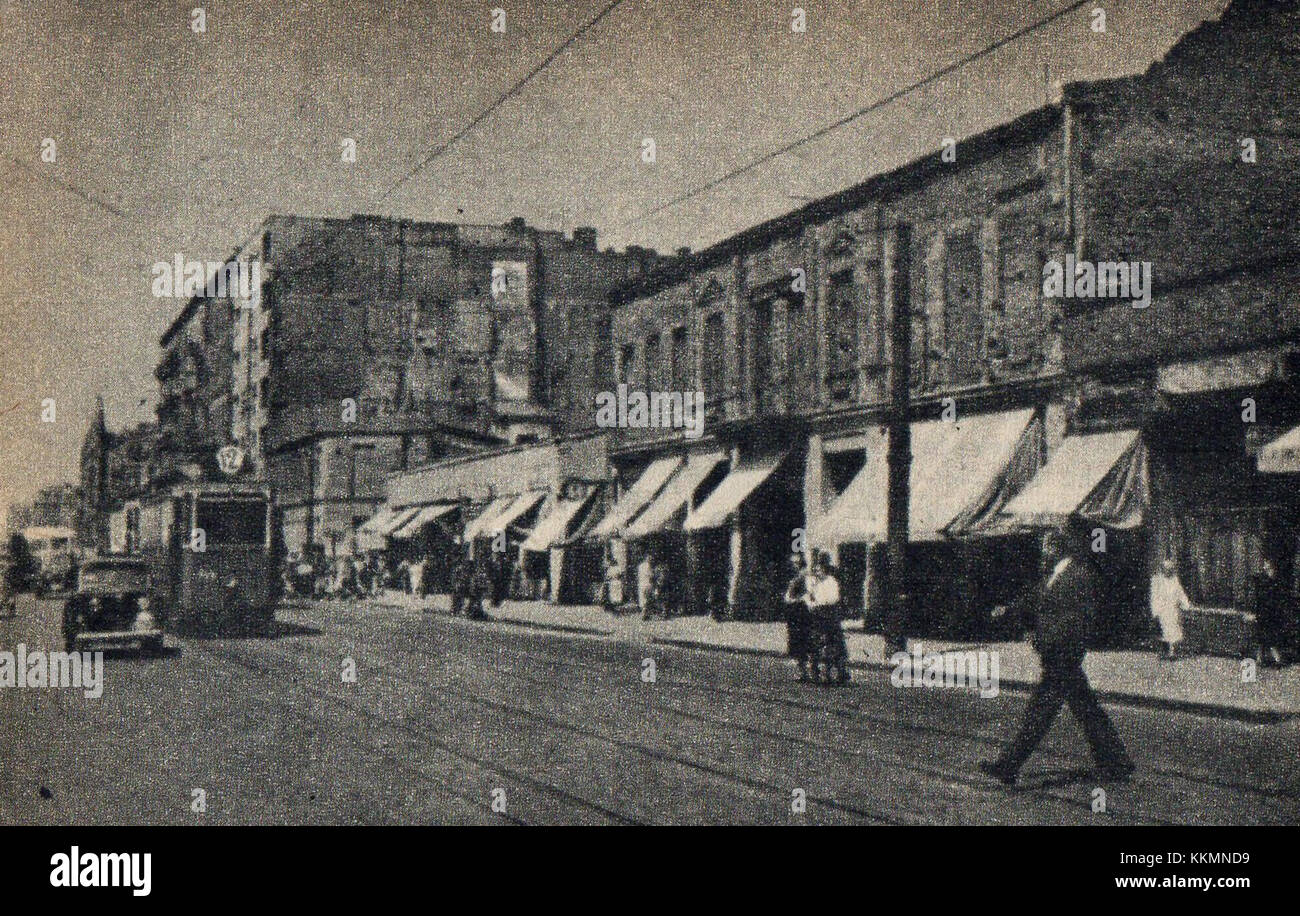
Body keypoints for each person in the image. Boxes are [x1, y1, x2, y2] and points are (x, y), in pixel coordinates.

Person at [980, 528, 1134, 786]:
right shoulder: (1053, 576)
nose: (1042, 552)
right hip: (1057, 655)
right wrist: (1007, 610)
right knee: (1086, 710)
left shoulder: (1079, 576)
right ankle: (1116, 762)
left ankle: (1009, 765)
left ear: (1057, 548)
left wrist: (1054, 642)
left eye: (1046, 546)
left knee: (1040, 712)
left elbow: (1081, 620)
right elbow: (1032, 600)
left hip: (1064, 655)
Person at [805, 550, 849, 685]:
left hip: (829, 615)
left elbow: (832, 599)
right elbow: (809, 598)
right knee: (817, 646)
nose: (817, 572)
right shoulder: (815, 583)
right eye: (816, 570)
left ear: (825, 569)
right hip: (818, 616)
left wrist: (816, 603)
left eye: (820, 570)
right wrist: (811, 600)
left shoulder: (831, 582)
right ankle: (818, 673)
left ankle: (840, 673)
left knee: (834, 646)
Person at [1253, 555, 1292, 667]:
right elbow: (1262, 598)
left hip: (1268, 612)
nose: (1269, 570)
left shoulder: (1271, 582)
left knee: (1265, 637)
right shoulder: (1265, 581)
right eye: (1267, 568)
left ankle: (1262, 659)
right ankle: (1275, 659)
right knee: (1267, 637)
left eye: (1269, 568)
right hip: (1265, 612)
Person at [1149, 558, 1191, 660]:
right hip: (1163, 609)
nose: (1168, 571)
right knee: (1164, 630)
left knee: (1174, 630)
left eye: (1170, 569)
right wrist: (1155, 610)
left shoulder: (1174, 580)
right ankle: (1166, 650)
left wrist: (1186, 604)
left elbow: (1180, 592)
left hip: (1173, 609)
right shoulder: (1157, 581)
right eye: (1166, 569)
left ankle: (1172, 651)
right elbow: (1154, 596)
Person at [782, 552, 813, 681]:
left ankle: (807, 672)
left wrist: (794, 599)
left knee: (803, 642)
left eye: (796, 563)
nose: (794, 565)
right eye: (792, 563)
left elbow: (808, 594)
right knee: (798, 643)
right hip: (795, 615)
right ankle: (804, 672)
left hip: (802, 614)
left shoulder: (803, 577)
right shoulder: (795, 578)